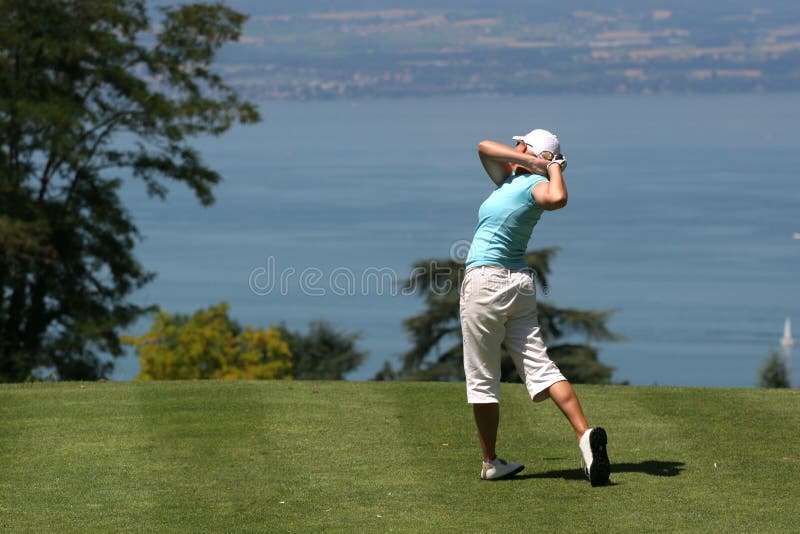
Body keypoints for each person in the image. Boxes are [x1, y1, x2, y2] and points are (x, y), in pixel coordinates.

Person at [459, 128, 611, 486]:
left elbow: (558, 198)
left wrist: (549, 166)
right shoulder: (511, 177)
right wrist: (538, 161)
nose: (513, 146)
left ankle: (491, 462)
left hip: (485, 283)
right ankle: (584, 435)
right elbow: (483, 147)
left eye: (520, 143)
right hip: (519, 285)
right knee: (541, 366)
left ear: (529, 148)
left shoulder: (533, 185)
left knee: (482, 378)